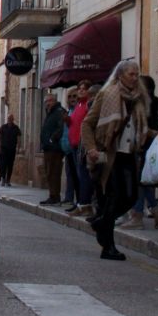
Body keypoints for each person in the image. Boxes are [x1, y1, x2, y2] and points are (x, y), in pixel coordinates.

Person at [81, 60, 155, 261]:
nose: (135, 78)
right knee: (112, 199)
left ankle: (101, 223)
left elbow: (139, 127)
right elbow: (87, 124)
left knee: (130, 197)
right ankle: (109, 247)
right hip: (109, 154)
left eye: (137, 74)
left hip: (129, 154)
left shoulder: (138, 98)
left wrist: (154, 134)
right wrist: (91, 148)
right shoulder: (107, 94)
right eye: (131, 74)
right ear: (120, 75)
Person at [119, 74, 158, 230]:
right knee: (144, 181)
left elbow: (142, 126)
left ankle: (138, 215)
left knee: (139, 182)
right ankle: (157, 212)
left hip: (143, 145)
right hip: (152, 145)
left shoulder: (141, 103)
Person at [64, 80, 95, 218]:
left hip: (83, 145)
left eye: (84, 88)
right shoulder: (79, 105)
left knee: (84, 176)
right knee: (79, 176)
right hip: (74, 145)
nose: (81, 91)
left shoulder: (88, 105)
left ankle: (85, 205)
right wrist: (68, 120)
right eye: (79, 88)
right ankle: (81, 203)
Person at [40, 92, 66, 205]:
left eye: (49, 101)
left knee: (54, 172)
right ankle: (52, 195)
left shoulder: (59, 112)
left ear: (54, 101)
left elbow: (61, 128)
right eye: (46, 102)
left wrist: (52, 139)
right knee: (49, 173)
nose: (47, 104)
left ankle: (55, 196)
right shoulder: (50, 113)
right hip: (48, 148)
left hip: (55, 148)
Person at [61, 88, 78, 209]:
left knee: (77, 174)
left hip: (76, 147)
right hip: (68, 148)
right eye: (70, 97)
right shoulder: (69, 111)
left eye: (74, 96)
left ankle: (79, 199)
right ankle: (69, 197)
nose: (72, 99)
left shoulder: (78, 111)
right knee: (69, 174)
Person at [0, 114, 21, 187]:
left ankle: (8, 180)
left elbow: (19, 138)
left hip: (12, 149)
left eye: (11, 118)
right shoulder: (3, 127)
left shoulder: (16, 128)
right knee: (3, 164)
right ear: (7, 119)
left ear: (13, 119)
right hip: (4, 148)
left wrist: (18, 147)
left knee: (10, 165)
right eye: (8, 118)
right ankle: (3, 179)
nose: (9, 120)